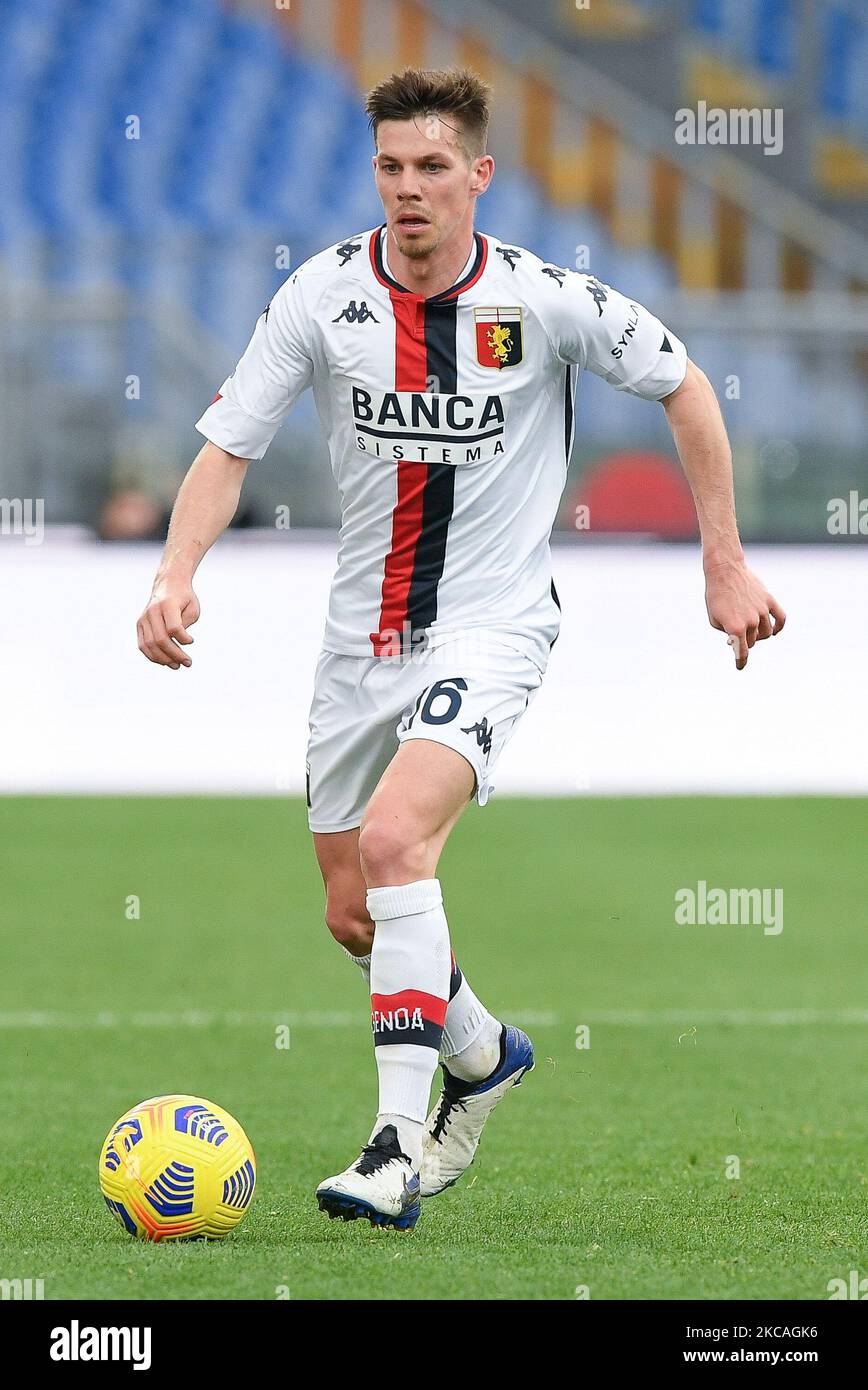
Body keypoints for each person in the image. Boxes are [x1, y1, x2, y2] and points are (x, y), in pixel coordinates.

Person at [137, 67, 786, 1232]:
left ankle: (393, 1148)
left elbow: (687, 385)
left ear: (479, 176)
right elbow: (227, 447)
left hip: (491, 627)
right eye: (390, 167)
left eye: (433, 167)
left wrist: (723, 560)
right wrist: (175, 573)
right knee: (353, 910)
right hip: (359, 638)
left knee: (395, 843)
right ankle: (483, 1054)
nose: (409, 190)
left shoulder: (542, 301)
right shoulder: (321, 296)